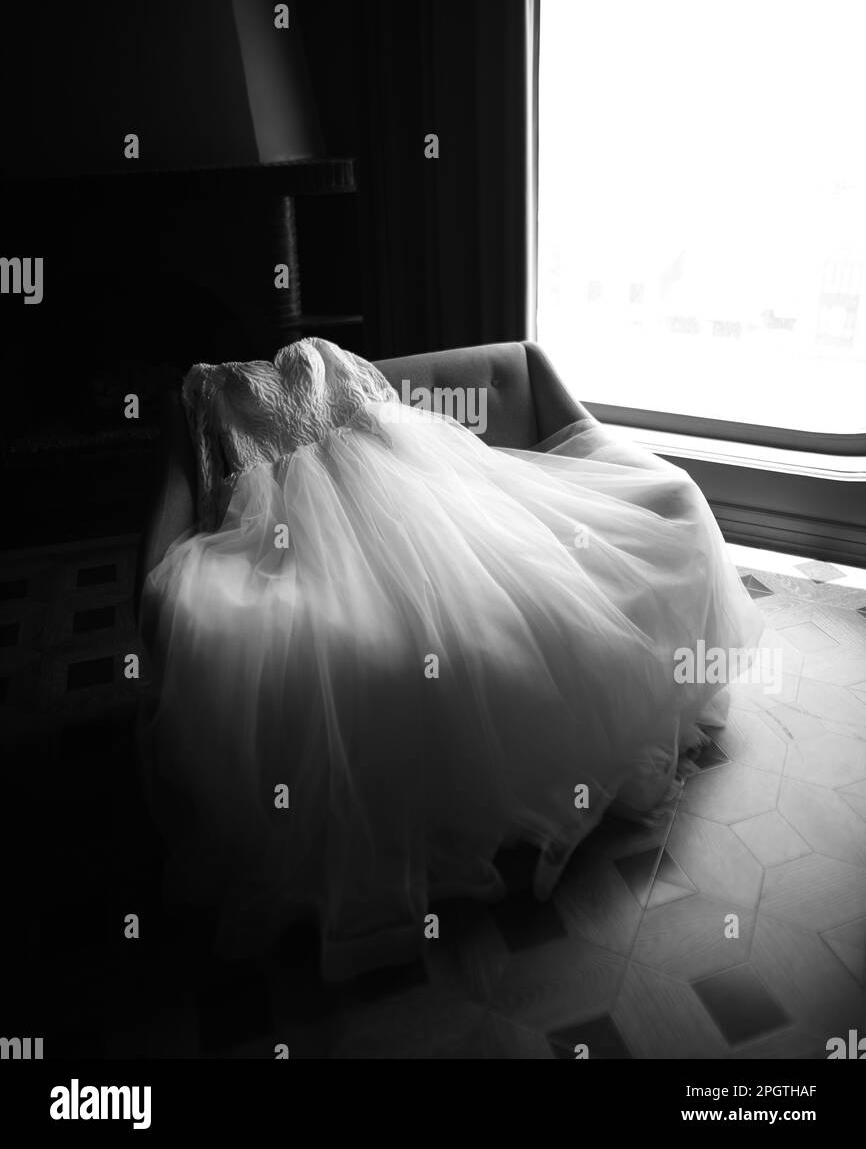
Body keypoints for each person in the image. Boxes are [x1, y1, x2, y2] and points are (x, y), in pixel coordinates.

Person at [140, 337, 763, 981]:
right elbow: (212, 487)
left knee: (509, 589)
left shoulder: (321, 359)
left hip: (403, 486)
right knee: (312, 633)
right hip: (297, 524)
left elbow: (375, 409)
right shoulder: (206, 391)